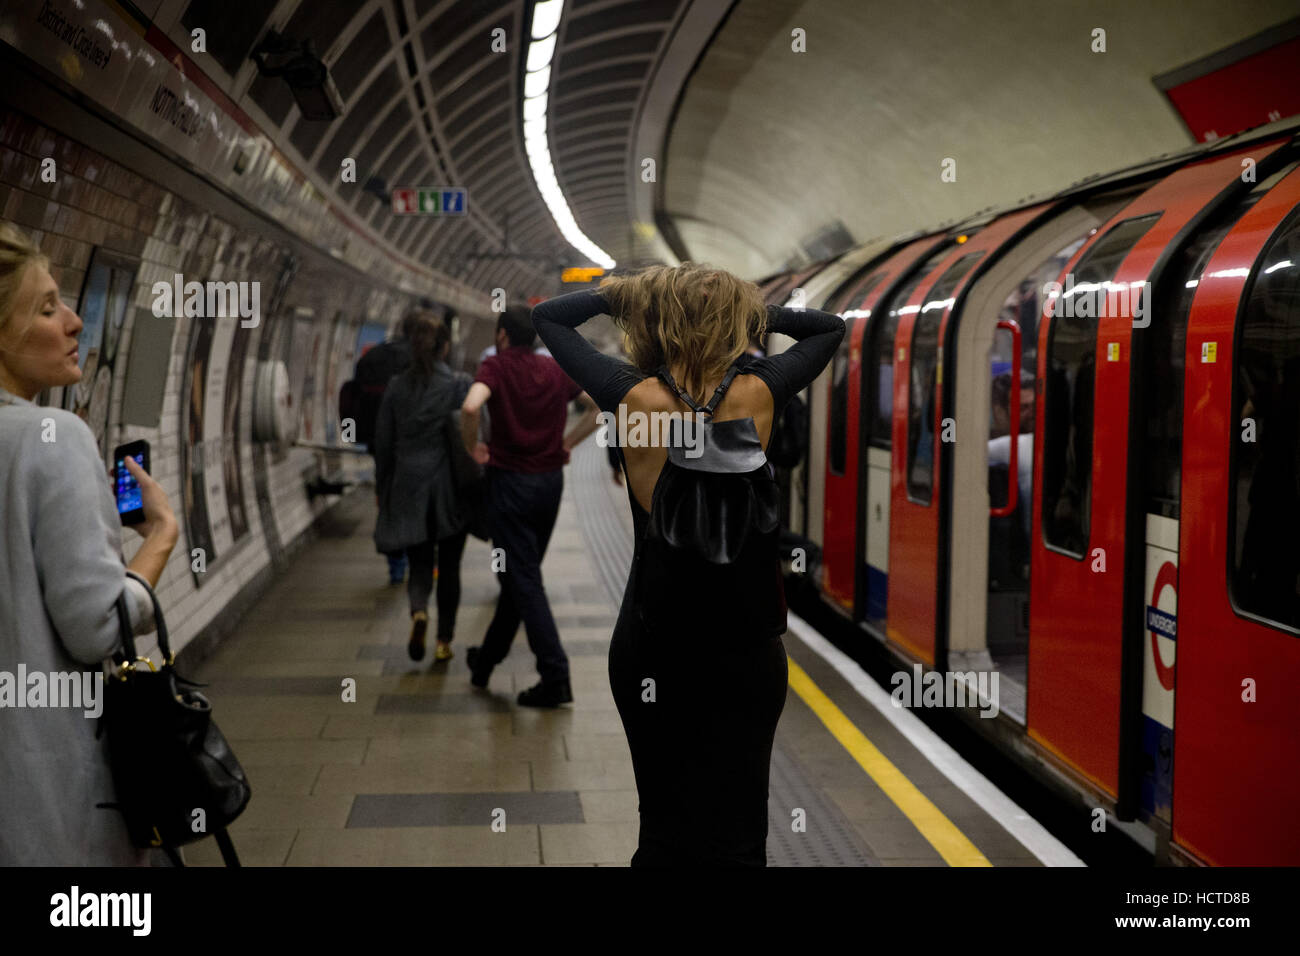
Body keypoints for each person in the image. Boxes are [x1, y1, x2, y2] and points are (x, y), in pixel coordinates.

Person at [532, 262, 844, 866]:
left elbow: (549, 316)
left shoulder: (630, 395)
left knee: (666, 824)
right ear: (733, 321)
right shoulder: (760, 391)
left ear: (655, 323)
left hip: (656, 640)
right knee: (743, 825)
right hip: (747, 644)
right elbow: (826, 328)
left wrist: (621, 294)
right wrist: (738, 308)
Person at [0, 222, 179, 864]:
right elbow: (96, 629)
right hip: (45, 807)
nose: (74, 321)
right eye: (46, 308)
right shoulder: (54, 438)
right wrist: (158, 537)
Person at [460, 305, 600, 706]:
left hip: (509, 486)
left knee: (522, 578)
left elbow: (471, 406)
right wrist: (566, 444)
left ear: (503, 335)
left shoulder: (498, 367)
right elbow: (598, 405)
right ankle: (486, 660)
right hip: (549, 485)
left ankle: (555, 674)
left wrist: (473, 448)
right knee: (521, 575)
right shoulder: (554, 369)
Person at [372, 311, 471, 663]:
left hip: (407, 485)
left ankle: (418, 612)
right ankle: (444, 641)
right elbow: (472, 437)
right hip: (448, 489)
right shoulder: (459, 385)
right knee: (450, 566)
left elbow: (383, 442)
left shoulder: (397, 387)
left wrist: (382, 485)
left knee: (418, 562)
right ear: (444, 347)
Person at [354, 312, 419, 584]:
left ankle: (396, 564)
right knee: (414, 501)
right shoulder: (421, 361)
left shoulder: (373, 357)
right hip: (414, 445)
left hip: (380, 444)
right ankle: (418, 558)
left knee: (388, 501)